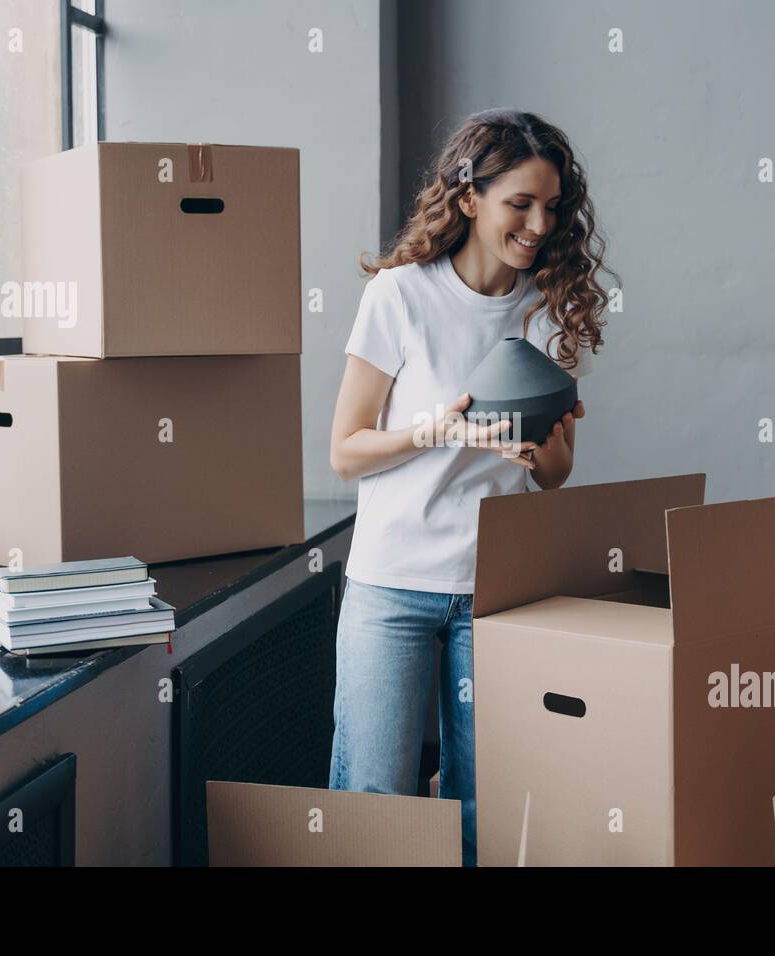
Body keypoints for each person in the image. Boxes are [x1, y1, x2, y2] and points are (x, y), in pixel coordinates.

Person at [327, 108, 616, 866]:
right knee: (373, 799)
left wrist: (540, 447)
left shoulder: (547, 309)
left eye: (551, 206)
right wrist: (437, 430)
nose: (537, 223)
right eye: (519, 202)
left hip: (496, 586)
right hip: (390, 583)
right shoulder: (399, 297)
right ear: (468, 199)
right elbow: (346, 452)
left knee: (485, 803)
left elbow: (558, 476)